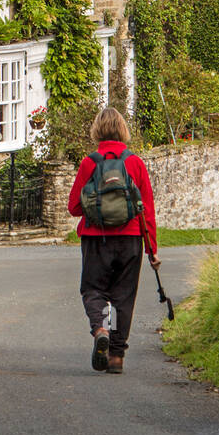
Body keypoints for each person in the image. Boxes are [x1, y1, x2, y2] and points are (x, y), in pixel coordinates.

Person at [67, 106, 160, 374]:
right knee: (123, 297)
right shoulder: (135, 163)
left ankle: (100, 329)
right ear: (123, 130)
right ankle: (117, 357)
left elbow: (74, 206)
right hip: (131, 238)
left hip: (96, 239)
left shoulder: (89, 163)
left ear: (97, 130)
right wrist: (151, 249)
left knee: (93, 290)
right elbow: (147, 210)